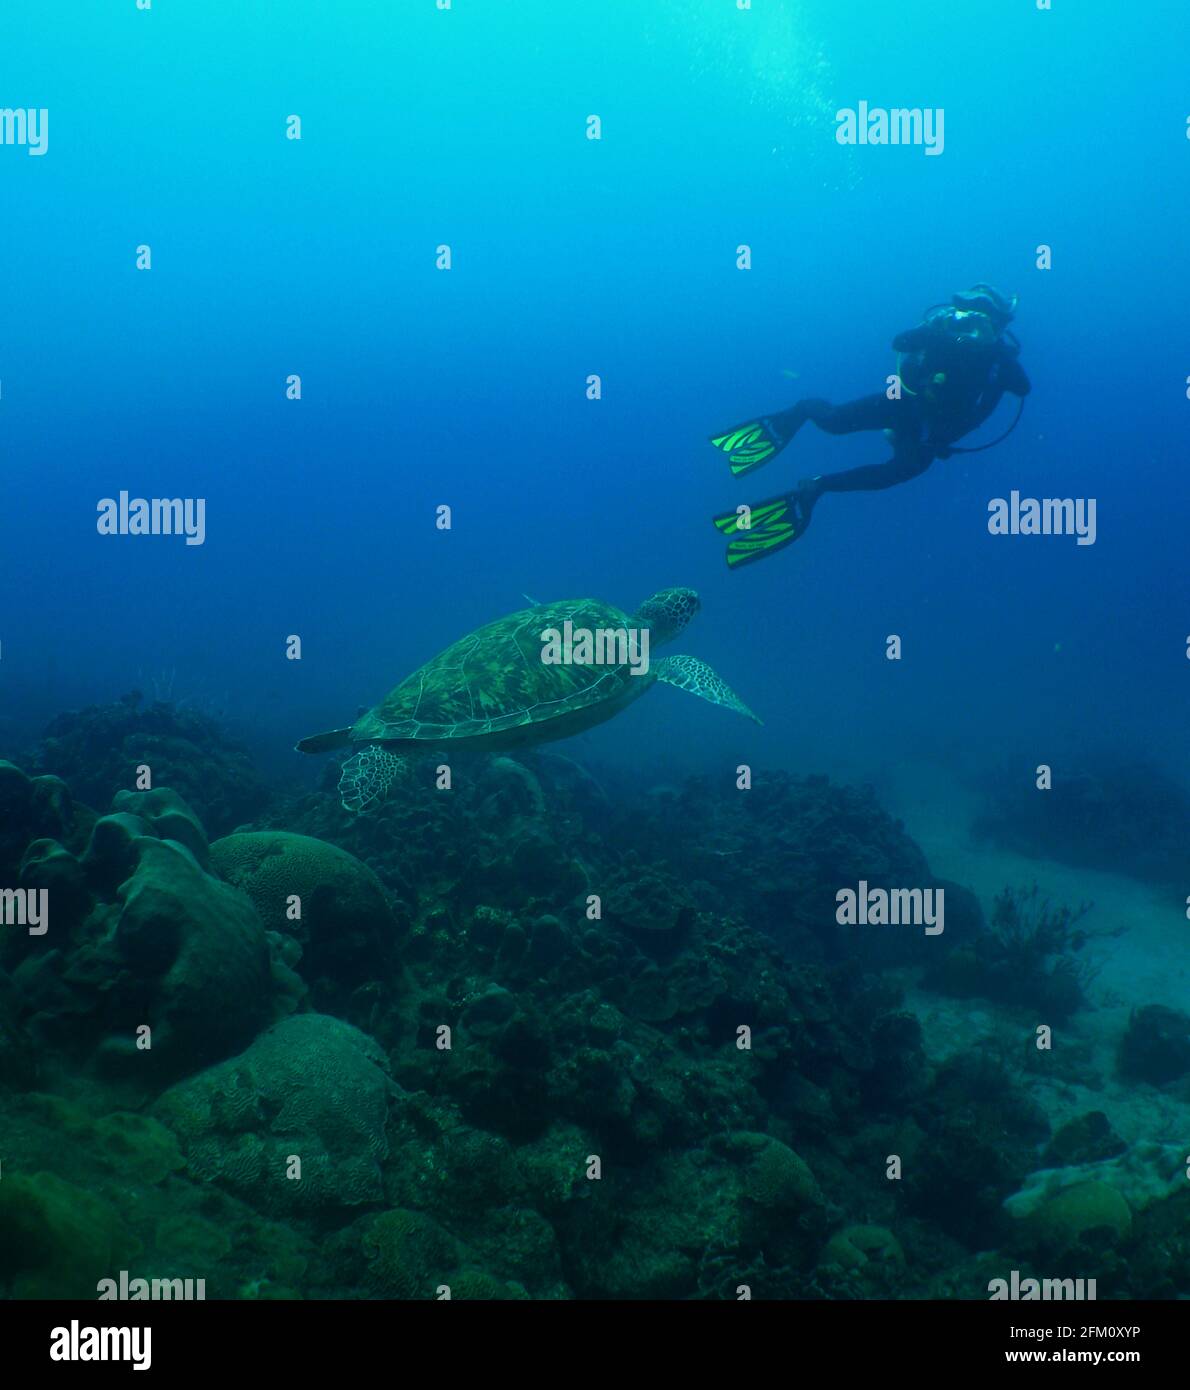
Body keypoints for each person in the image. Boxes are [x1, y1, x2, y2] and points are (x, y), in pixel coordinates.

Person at [710, 284, 1031, 568]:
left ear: (999, 325)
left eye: (981, 321)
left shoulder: (999, 360)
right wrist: (940, 331)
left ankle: (816, 486)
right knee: (833, 422)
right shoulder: (939, 333)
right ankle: (800, 411)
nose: (970, 327)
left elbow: (1023, 386)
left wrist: (991, 347)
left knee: (901, 471)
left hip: (931, 436)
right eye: (966, 317)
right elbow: (900, 341)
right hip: (903, 407)